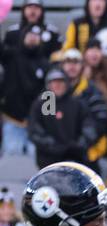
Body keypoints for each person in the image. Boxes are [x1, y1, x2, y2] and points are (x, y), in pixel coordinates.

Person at [1, 25, 53, 157]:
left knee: (34, 159)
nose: (33, 38)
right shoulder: (10, 56)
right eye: (30, 35)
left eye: (36, 35)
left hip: (36, 124)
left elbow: (49, 94)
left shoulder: (45, 64)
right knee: (12, 155)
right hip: (13, 120)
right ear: (23, 37)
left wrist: (49, 120)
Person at [27, 70, 97, 168]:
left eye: (61, 81)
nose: (57, 85)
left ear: (66, 84)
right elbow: (34, 131)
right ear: (48, 84)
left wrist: (79, 144)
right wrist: (52, 146)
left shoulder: (77, 104)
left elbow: (89, 127)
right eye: (54, 82)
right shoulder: (40, 105)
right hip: (48, 161)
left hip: (76, 160)